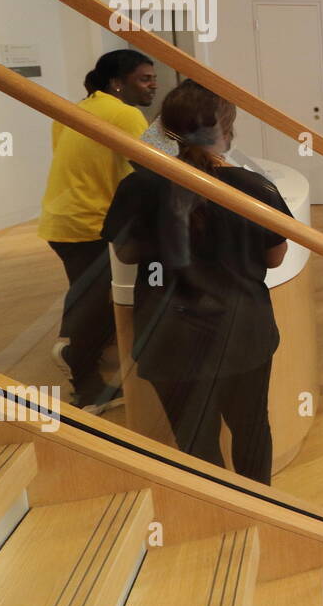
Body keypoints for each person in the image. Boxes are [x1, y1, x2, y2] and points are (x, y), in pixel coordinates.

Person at [103, 82, 289, 484]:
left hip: (168, 336)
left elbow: (125, 254)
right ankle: (263, 510)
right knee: (252, 427)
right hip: (242, 329)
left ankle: (217, 514)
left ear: (165, 127)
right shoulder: (257, 188)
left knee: (194, 439)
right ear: (228, 128)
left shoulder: (138, 187)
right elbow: (275, 257)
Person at [40, 49, 155, 411]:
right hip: (89, 222)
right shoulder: (126, 115)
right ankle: (85, 385)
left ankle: (72, 346)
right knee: (100, 301)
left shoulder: (74, 110)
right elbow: (157, 165)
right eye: (144, 79)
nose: (153, 85)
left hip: (60, 219)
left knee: (88, 292)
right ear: (117, 84)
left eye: (153, 78)